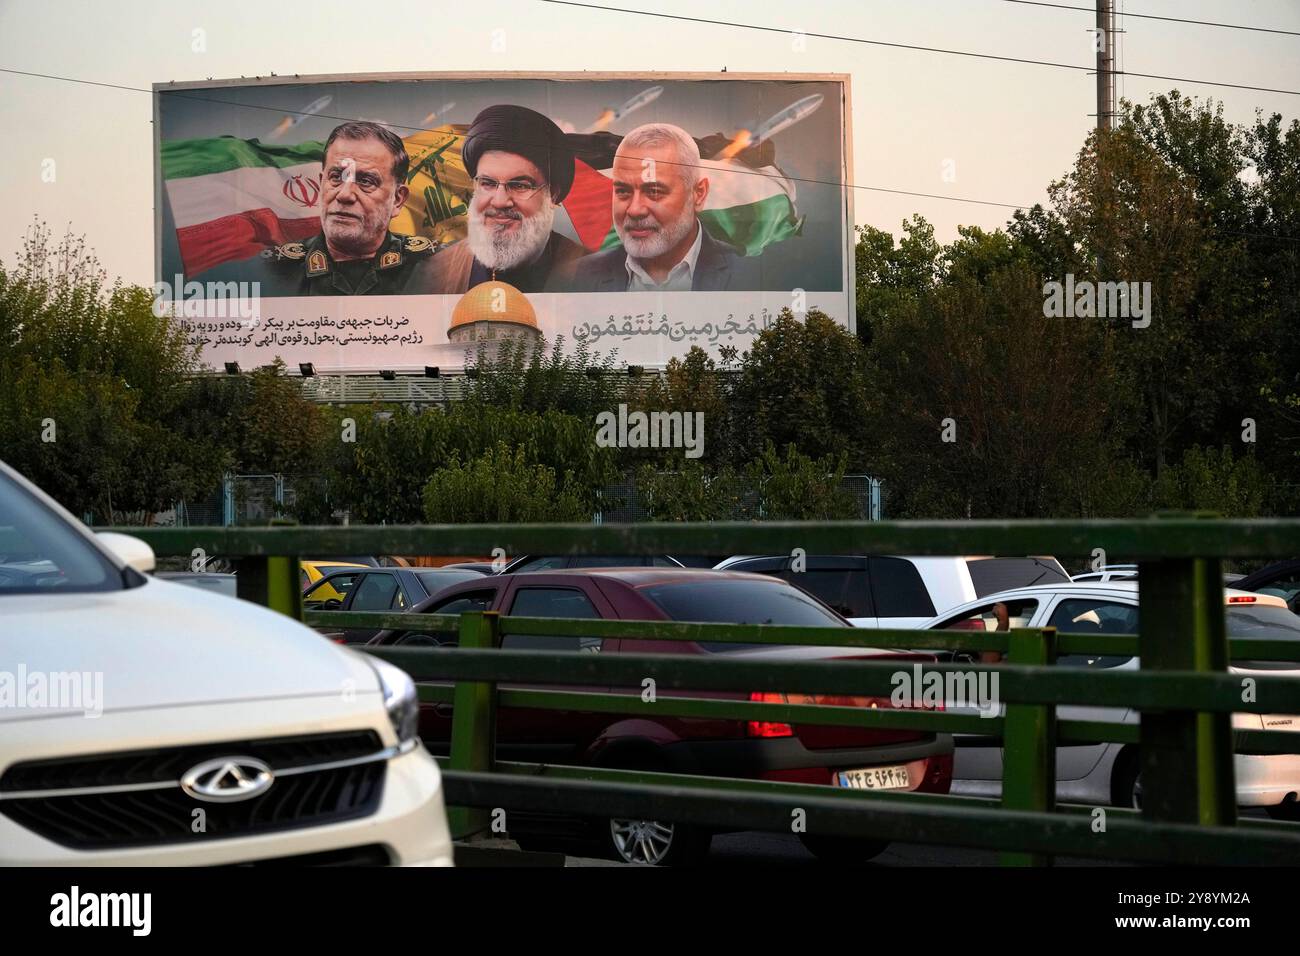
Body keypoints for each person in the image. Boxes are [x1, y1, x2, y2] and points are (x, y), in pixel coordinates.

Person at [196, 120, 439, 295]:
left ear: (397, 199)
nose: (344, 195)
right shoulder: (270, 271)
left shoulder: (438, 268)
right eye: (336, 177)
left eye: (365, 181)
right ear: (321, 182)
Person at [563, 123, 755, 293]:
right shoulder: (577, 278)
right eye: (623, 191)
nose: (635, 210)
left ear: (699, 194)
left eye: (654, 191)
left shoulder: (749, 276)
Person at [425, 105, 584, 294]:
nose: (499, 202)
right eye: (487, 183)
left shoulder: (591, 274)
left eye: (520, 185)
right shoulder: (433, 274)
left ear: (553, 195)